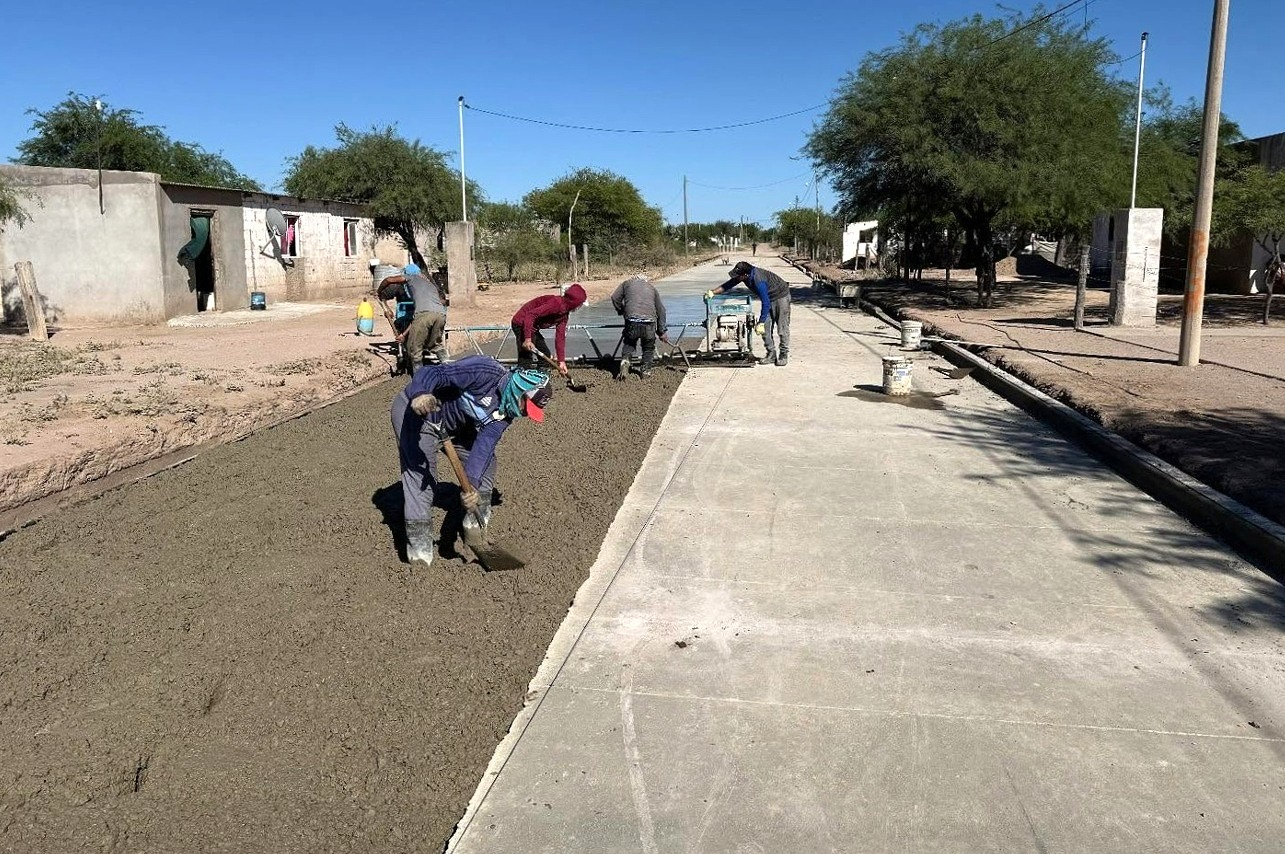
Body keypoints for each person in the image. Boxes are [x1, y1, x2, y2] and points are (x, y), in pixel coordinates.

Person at [390, 355, 552, 567]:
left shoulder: (505, 413)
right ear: (521, 389)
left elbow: (484, 446)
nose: (523, 413)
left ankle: (475, 538)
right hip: (418, 412)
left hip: (455, 426)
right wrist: (421, 393)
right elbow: (431, 372)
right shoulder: (485, 371)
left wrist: (472, 487)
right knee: (422, 479)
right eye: (526, 407)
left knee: (487, 467)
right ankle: (420, 556)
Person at [705, 261, 792, 366]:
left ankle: (783, 354)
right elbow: (729, 284)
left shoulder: (759, 281)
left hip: (780, 296)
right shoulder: (745, 275)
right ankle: (771, 354)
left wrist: (760, 322)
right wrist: (713, 292)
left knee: (782, 328)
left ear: (745, 275)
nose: (736, 278)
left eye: (738, 276)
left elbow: (766, 303)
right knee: (765, 328)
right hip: (769, 297)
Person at [377, 264, 448, 370]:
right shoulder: (427, 285)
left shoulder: (413, 279)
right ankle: (447, 365)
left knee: (415, 349)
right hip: (433, 316)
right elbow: (383, 296)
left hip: (421, 315)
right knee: (435, 344)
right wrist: (387, 308)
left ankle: (419, 376)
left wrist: (377, 290)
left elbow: (388, 280)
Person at [510, 283, 587, 376]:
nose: (579, 307)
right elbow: (530, 315)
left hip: (533, 327)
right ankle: (520, 381)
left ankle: (540, 379)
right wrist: (527, 339)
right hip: (521, 323)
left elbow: (560, 337)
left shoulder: (564, 315)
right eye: (580, 305)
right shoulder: (555, 303)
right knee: (526, 357)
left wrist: (561, 361)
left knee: (545, 355)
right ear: (574, 303)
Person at [610, 275, 668, 379]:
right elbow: (661, 310)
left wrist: (621, 310)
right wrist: (661, 331)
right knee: (648, 347)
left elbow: (615, 298)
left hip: (632, 320)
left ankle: (625, 361)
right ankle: (645, 371)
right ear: (645, 281)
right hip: (649, 322)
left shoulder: (626, 284)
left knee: (629, 343)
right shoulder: (652, 288)